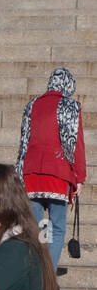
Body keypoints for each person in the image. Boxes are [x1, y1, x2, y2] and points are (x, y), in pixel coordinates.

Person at [16, 67, 87, 271]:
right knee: (56, 227)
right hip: (58, 173)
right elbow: (75, 144)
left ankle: (35, 271)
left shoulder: (32, 105)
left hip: (30, 175)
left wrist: (19, 174)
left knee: (36, 228)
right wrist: (79, 176)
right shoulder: (71, 106)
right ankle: (48, 276)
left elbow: (24, 143)